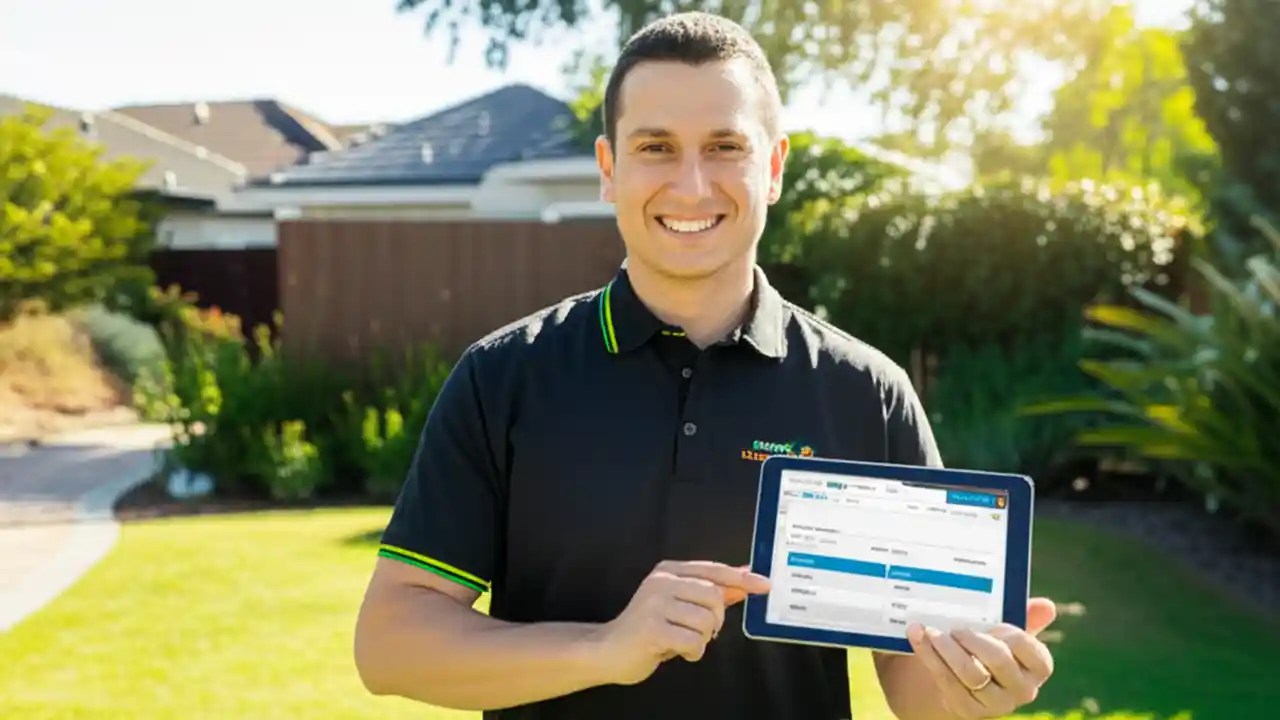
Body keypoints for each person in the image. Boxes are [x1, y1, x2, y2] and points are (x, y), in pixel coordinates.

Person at [353, 10, 1057, 720]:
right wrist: (605, 649)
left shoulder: (865, 393)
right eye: (656, 147)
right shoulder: (503, 378)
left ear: (774, 168)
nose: (691, 186)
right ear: (609, 169)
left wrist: (978, 685)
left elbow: (916, 692)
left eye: (725, 146)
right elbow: (390, 646)